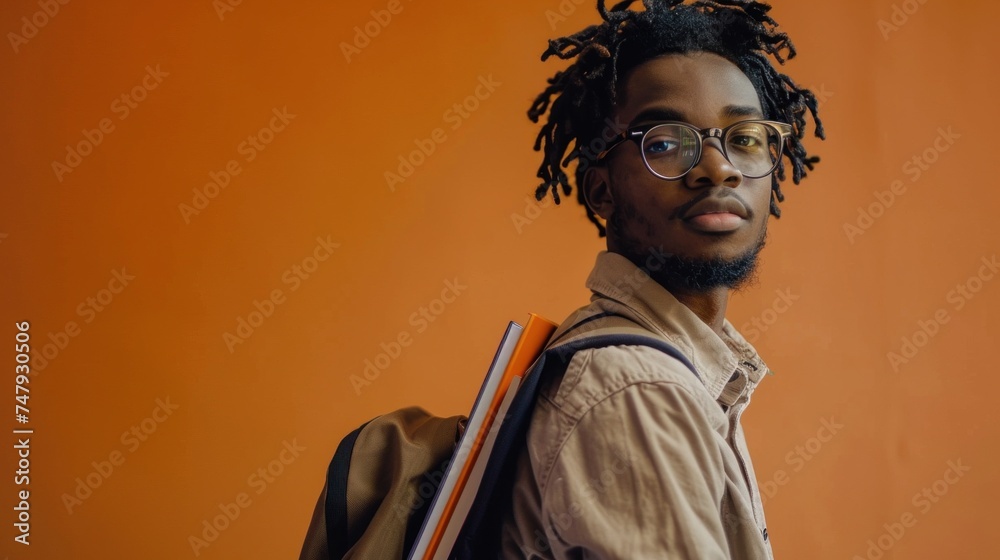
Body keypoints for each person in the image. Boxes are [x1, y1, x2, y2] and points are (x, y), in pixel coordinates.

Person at [500, 1, 824, 558]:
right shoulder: (636, 388)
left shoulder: (680, 368)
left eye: (744, 137)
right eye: (666, 143)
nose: (718, 167)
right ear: (602, 191)